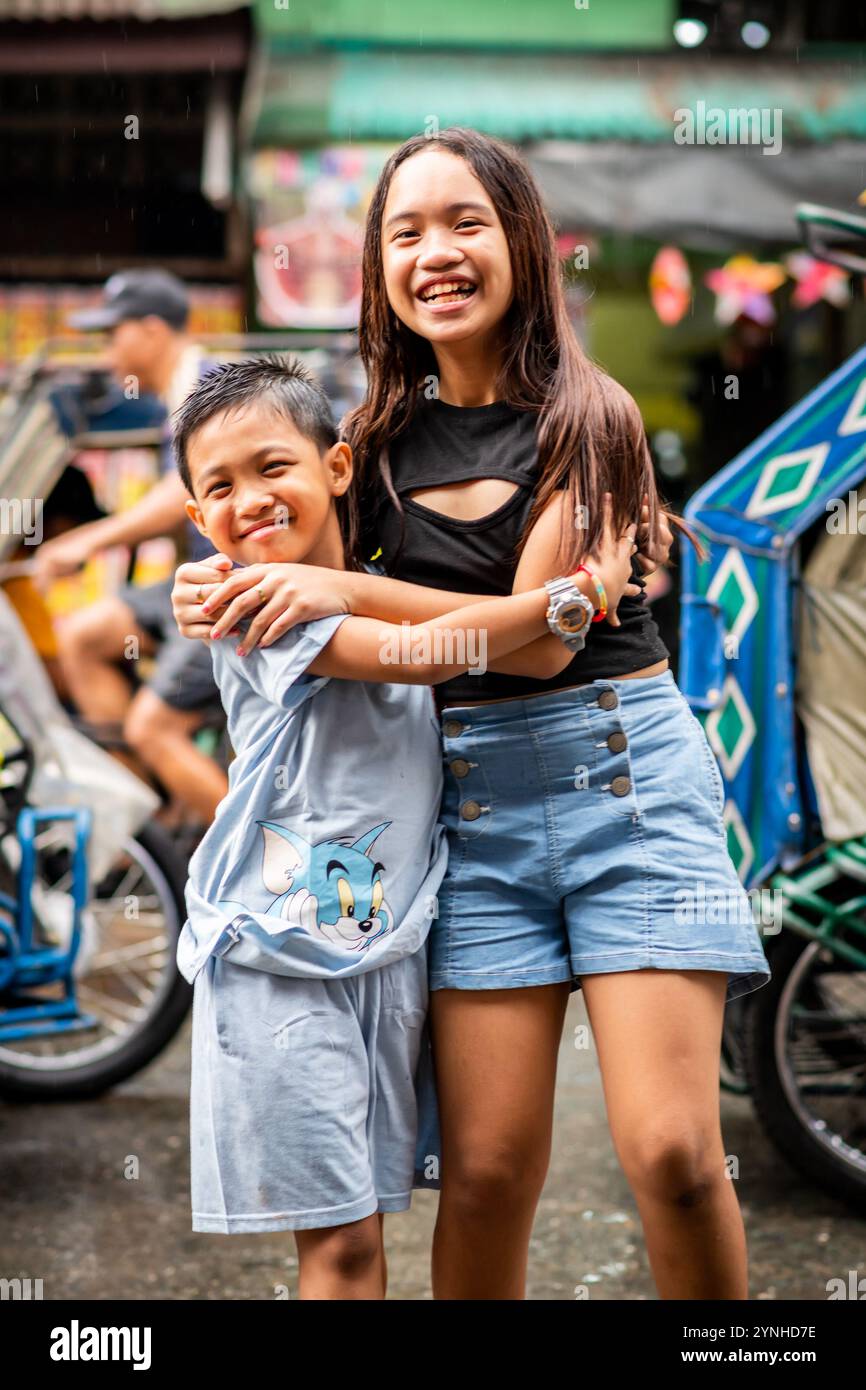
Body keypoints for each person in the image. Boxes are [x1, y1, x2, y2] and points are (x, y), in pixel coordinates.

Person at [172, 128, 772, 1300]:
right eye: (405, 232)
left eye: (464, 224)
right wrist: (205, 574)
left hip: (625, 784)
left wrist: (339, 585)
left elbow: (544, 639)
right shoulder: (369, 446)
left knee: (673, 1156)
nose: (434, 253)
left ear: (521, 243)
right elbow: (255, 505)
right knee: (486, 1171)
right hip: (473, 814)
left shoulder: (584, 418)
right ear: (378, 267)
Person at [172, 352, 638, 1299]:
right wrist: (569, 601)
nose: (250, 499)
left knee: (371, 1235)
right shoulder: (252, 604)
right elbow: (428, 654)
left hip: (386, 956)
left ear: (337, 468)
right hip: (278, 960)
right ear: (195, 519)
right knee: (341, 1251)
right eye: (218, 486)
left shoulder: (373, 567)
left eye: (273, 467)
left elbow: (434, 612)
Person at [35, 268, 227, 822]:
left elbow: (183, 490)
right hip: (195, 577)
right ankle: (146, 817)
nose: (108, 351)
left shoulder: (207, 385)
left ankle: (262, 864)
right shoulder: (177, 394)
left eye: (112, 333)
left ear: (149, 329)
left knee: (152, 725)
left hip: (228, 582)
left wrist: (85, 542)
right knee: (86, 636)